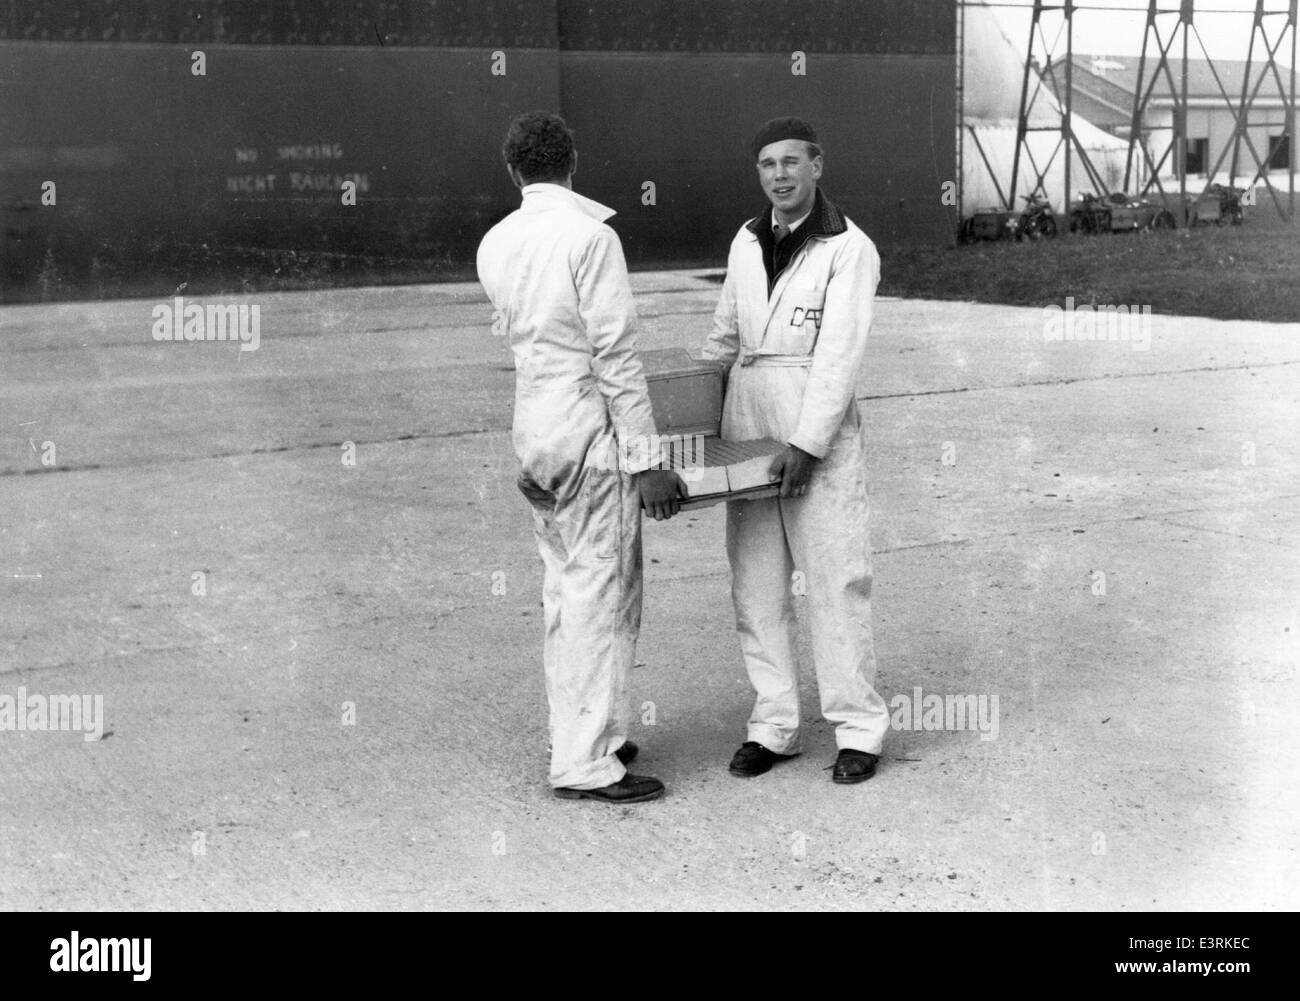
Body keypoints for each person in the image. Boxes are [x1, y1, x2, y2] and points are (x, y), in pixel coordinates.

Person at [476, 111, 685, 804]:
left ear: (513, 171)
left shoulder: (495, 242)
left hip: (535, 430)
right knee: (602, 594)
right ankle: (584, 760)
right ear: (575, 159)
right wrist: (647, 458)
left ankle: (596, 733)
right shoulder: (591, 238)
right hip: (590, 433)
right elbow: (616, 356)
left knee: (569, 593)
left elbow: (524, 341)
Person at [701, 117, 890, 784]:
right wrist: (692, 425)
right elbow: (725, 336)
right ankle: (774, 726)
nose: (779, 175)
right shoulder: (746, 239)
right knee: (755, 585)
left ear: (817, 165)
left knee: (836, 583)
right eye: (766, 165)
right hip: (747, 429)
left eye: (790, 162)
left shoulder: (848, 247)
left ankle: (858, 729)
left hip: (817, 438)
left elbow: (838, 358)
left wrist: (806, 445)